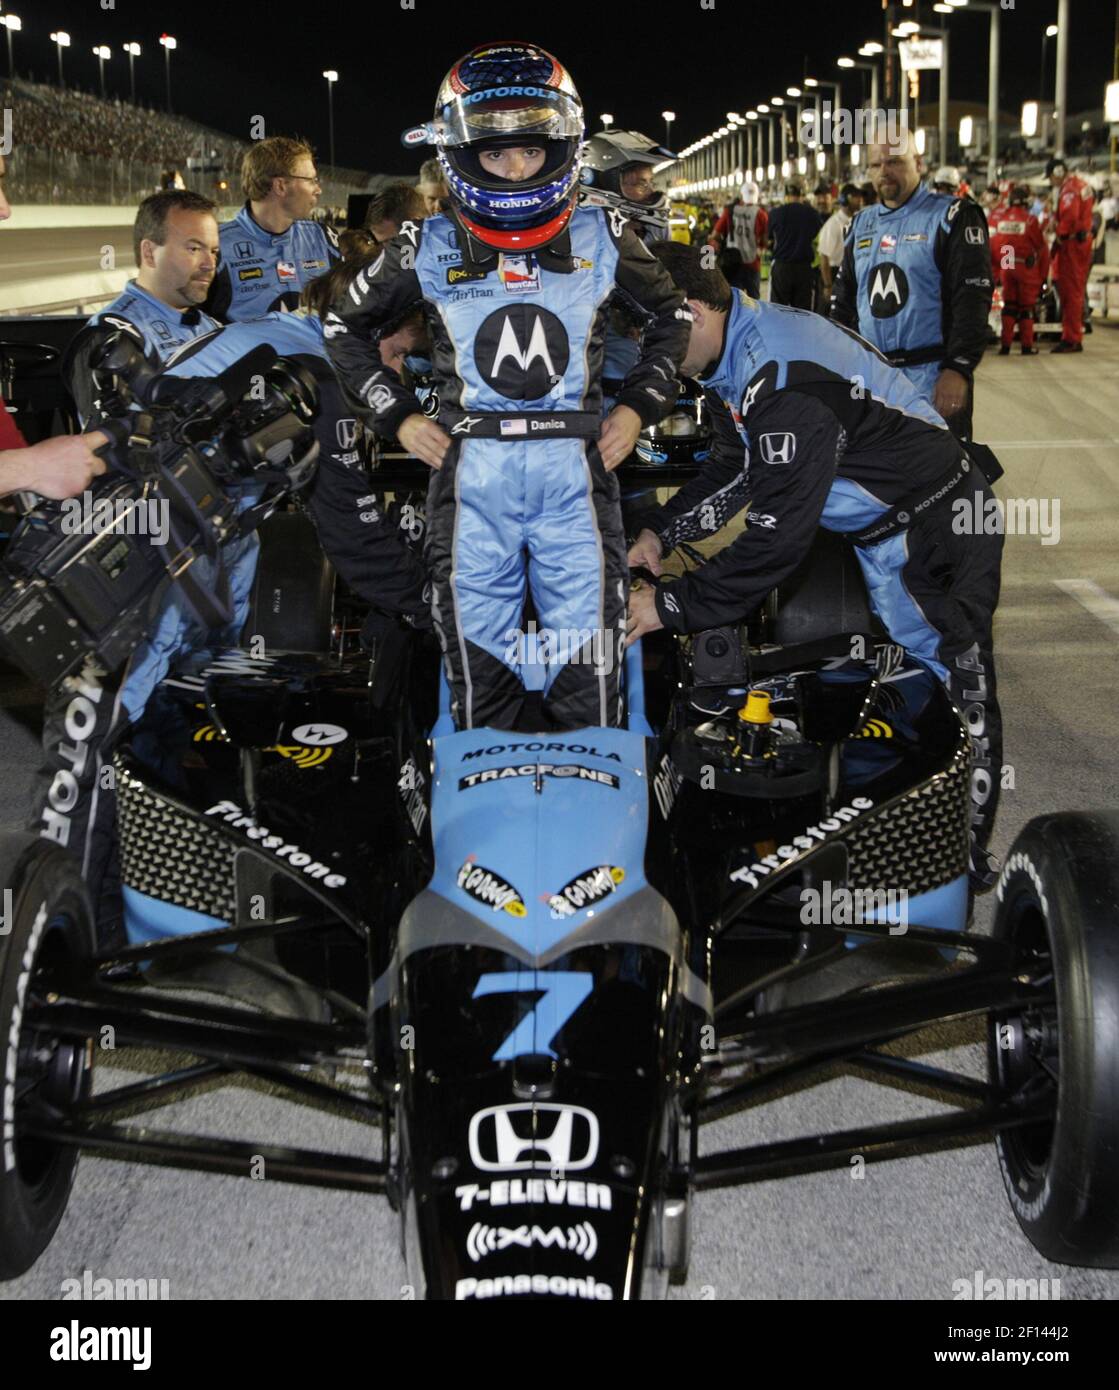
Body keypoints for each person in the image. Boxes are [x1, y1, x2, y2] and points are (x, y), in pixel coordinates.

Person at [326, 40, 689, 732]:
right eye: (495, 154)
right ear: (463, 155)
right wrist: (398, 417)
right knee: (478, 672)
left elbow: (672, 317)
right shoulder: (423, 245)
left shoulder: (604, 232)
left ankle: (592, 830)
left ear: (562, 147)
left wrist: (640, 408)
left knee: (591, 677)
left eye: (529, 151)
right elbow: (341, 329)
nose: (516, 169)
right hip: (472, 481)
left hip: (575, 476)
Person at [627, 244, 1003, 888]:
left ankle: (961, 855)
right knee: (904, 685)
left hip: (937, 522)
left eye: (649, 333)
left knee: (951, 679)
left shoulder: (778, 373)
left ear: (688, 311)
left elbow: (777, 539)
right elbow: (733, 469)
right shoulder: (737, 351)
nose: (646, 353)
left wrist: (668, 605)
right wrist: (660, 533)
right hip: (885, 527)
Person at [830, 128, 992, 442]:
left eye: (894, 162)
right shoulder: (859, 225)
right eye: (876, 165)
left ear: (918, 162)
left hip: (932, 379)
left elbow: (972, 298)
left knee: (939, 484)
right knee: (876, 484)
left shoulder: (953, 216)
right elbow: (843, 304)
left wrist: (958, 368)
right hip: (873, 382)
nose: (883, 172)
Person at [62, 190, 223, 426]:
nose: (210, 265)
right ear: (149, 253)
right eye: (194, 249)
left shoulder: (213, 327)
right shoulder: (107, 338)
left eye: (214, 251)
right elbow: (106, 448)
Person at [204, 137, 340, 323]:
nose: (318, 190)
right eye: (311, 180)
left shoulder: (324, 238)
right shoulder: (215, 246)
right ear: (281, 186)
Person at [580, 127, 676, 247]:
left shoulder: (656, 228)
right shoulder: (579, 234)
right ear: (605, 183)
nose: (650, 191)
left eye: (651, 182)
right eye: (640, 184)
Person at [989, 185, 1049, 356]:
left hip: (1006, 264)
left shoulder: (1001, 219)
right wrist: (1042, 275)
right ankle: (1026, 346)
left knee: (1009, 306)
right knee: (1026, 307)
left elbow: (994, 245)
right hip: (1024, 265)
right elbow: (1039, 245)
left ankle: (1005, 346)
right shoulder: (1030, 220)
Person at [1046, 155, 1094, 353]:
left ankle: (1072, 338)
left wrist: (1057, 233)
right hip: (1079, 243)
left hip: (1072, 244)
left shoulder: (1070, 190)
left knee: (1071, 293)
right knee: (1074, 291)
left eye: (1050, 177)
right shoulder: (1080, 185)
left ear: (1057, 173)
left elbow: (1069, 218)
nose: (1051, 182)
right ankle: (1073, 335)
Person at [709, 180, 768, 297]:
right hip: (752, 263)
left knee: (734, 300)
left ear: (741, 195)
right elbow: (764, 241)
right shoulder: (761, 215)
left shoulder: (730, 212)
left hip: (732, 263)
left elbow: (715, 234)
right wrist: (760, 249)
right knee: (754, 302)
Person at [766, 182, 821, 310]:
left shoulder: (776, 213)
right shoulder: (812, 213)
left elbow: (768, 238)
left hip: (782, 267)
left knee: (778, 310)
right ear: (802, 195)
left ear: (786, 196)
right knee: (803, 312)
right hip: (804, 268)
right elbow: (817, 236)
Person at [817, 183, 863, 313]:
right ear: (845, 199)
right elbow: (824, 257)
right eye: (855, 197)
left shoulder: (856, 221)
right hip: (834, 274)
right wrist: (828, 285)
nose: (859, 200)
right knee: (831, 315)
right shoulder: (834, 224)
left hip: (849, 273)